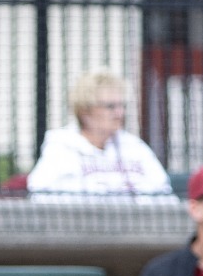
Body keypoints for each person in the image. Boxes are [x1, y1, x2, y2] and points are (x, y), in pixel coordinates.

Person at [26, 70, 173, 197]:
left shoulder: (134, 147)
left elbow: (164, 194)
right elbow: (42, 198)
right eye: (110, 106)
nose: (120, 113)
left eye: (122, 105)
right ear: (85, 112)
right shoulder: (61, 149)